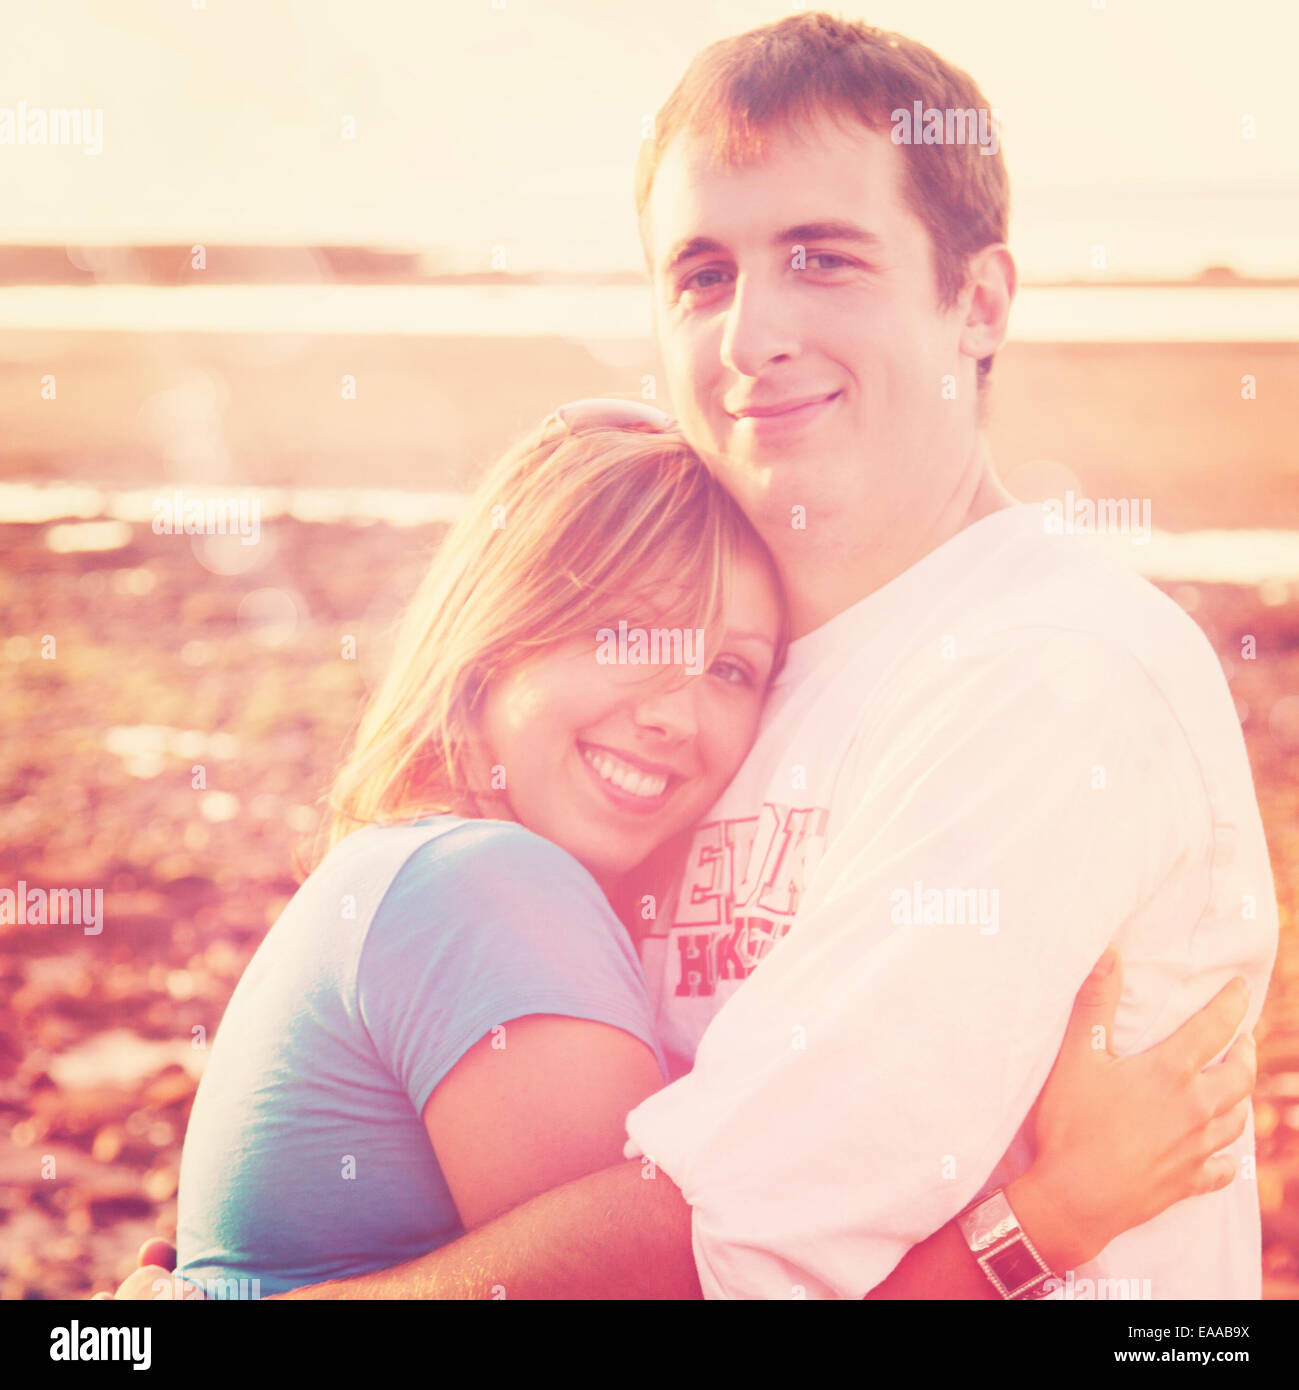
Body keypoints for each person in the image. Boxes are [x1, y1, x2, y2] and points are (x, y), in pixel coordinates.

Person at [114, 13, 1274, 1301]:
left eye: (823, 259)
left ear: (979, 303)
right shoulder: (723, 698)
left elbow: (740, 1244)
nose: (749, 335)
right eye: (703, 275)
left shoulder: (1053, 672)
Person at [110, 407, 1252, 1305]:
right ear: (493, 646)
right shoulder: (485, 891)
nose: (675, 713)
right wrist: (1050, 1214)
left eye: (732, 669)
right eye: (629, 634)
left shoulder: (412, 871)